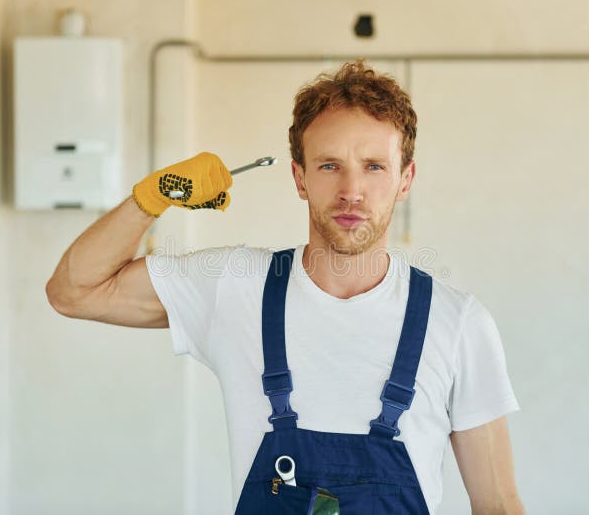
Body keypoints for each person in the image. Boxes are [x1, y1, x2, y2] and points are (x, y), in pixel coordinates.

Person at [46, 60, 524, 514]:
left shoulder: (457, 325)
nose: (351, 191)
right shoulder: (235, 287)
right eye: (329, 165)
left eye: (374, 166)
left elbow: (498, 506)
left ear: (406, 179)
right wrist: (152, 198)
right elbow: (74, 291)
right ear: (299, 177)